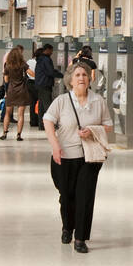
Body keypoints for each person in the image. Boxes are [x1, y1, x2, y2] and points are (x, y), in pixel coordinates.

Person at [44, 58, 113, 253]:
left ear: (90, 79)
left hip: (90, 157)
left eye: (84, 74)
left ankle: (80, 238)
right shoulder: (62, 101)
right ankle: (67, 226)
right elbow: (48, 121)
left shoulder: (98, 101)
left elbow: (108, 126)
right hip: (64, 156)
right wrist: (55, 145)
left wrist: (93, 130)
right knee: (66, 196)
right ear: (70, 81)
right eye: (77, 75)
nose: (81, 78)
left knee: (85, 197)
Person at [0, 46, 31, 141]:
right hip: (22, 90)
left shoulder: (7, 65)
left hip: (11, 91)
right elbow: (31, 73)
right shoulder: (23, 64)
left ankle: (4, 133)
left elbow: (6, 79)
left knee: (7, 114)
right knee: (20, 114)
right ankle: (18, 135)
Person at [34, 44, 59, 121]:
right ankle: (50, 123)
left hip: (39, 84)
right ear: (47, 50)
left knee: (41, 105)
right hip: (45, 83)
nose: (52, 52)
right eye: (51, 51)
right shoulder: (46, 59)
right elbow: (50, 72)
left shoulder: (40, 59)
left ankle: (41, 124)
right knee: (47, 105)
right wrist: (61, 75)